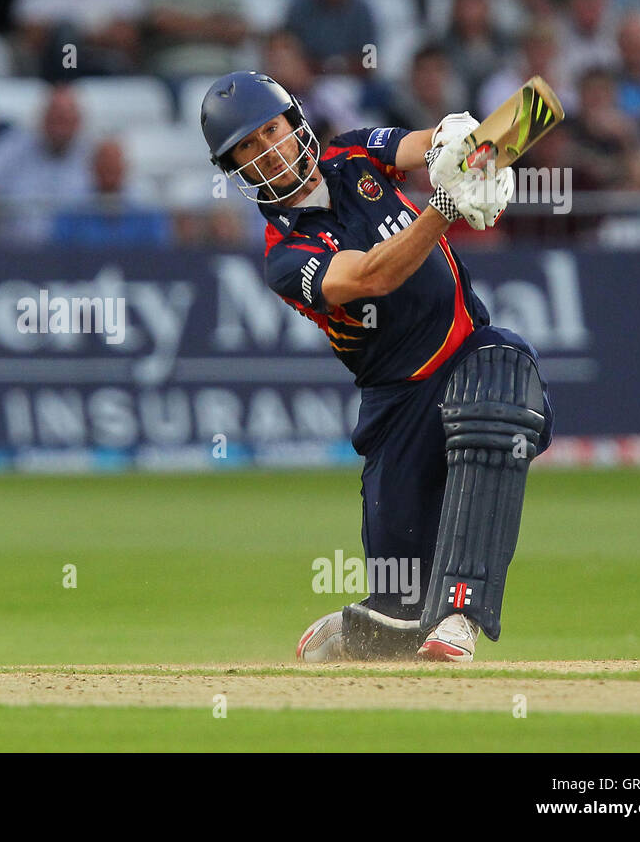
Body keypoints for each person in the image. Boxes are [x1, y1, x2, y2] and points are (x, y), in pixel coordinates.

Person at [200, 70, 555, 662]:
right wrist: (446, 205)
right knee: (399, 615)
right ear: (237, 169)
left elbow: (422, 143)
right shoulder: (284, 256)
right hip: (395, 404)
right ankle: (363, 628)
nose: (269, 150)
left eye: (272, 131)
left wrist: (460, 145)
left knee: (501, 382)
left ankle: (462, 615)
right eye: (249, 147)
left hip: (465, 349)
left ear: (295, 125)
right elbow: (372, 276)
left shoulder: (352, 153)